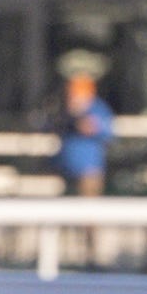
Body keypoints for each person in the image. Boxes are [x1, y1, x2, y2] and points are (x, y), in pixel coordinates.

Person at [56, 70, 113, 198]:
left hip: (90, 170)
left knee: (89, 203)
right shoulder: (63, 109)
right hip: (66, 169)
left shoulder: (98, 109)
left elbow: (108, 133)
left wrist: (92, 127)